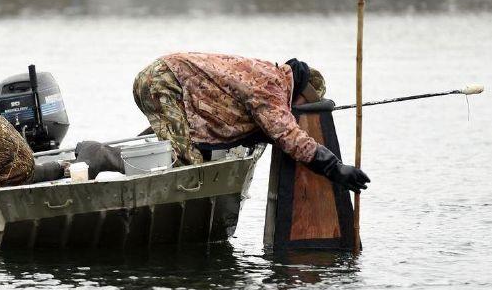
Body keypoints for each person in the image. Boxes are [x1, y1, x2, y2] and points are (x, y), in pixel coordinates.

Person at [128, 52, 370, 193]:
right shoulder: (271, 87)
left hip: (168, 83)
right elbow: (288, 135)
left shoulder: (268, 76)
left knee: (180, 151)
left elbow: (232, 120)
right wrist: (334, 167)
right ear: (301, 91)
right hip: (163, 82)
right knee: (188, 169)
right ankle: (110, 160)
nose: (296, 111)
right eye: (303, 104)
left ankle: (113, 156)